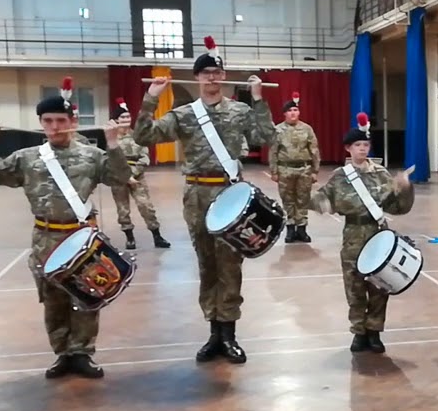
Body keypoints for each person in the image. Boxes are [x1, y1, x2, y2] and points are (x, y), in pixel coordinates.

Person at [131, 35, 276, 363]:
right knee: (207, 264)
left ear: (223, 77)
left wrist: (258, 99)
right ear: (197, 77)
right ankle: (214, 333)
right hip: (197, 195)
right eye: (205, 72)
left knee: (230, 265)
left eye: (216, 72)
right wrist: (151, 99)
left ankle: (230, 334)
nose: (212, 77)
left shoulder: (239, 111)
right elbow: (143, 136)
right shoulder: (183, 115)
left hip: (231, 195)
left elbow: (266, 137)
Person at [0, 80, 133, 379]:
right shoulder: (27, 158)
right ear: (41, 123)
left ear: (72, 122)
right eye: (48, 121)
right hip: (45, 237)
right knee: (53, 300)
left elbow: (119, 177)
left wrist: (113, 145)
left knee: (88, 295)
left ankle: (83, 352)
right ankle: (62, 353)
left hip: (80, 236)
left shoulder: (91, 155)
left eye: (61, 121)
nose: (55, 126)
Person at [309, 113, 415, 353]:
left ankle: (375, 331)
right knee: (355, 287)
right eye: (357, 145)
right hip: (353, 236)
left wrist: (405, 188)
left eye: (366, 145)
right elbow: (322, 200)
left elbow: (399, 207)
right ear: (348, 148)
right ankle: (358, 332)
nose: (362, 149)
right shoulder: (339, 177)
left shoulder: (381, 174)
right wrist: (310, 197)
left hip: (378, 235)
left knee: (379, 286)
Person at [107, 98, 170, 250]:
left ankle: (157, 235)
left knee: (146, 206)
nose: (126, 120)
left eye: (128, 117)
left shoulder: (137, 136)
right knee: (123, 209)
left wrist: (133, 175)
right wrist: (125, 177)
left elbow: (144, 156)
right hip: (118, 178)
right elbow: (109, 159)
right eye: (122, 117)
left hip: (137, 177)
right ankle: (129, 238)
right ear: (116, 120)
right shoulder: (110, 138)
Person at [270, 92, 321, 243]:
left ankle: (302, 229)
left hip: (304, 170)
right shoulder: (278, 130)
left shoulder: (307, 129)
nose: (293, 113)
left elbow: (314, 150)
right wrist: (274, 171)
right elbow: (273, 151)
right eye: (290, 111)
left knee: (303, 200)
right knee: (288, 200)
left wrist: (315, 170)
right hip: (285, 169)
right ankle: (290, 229)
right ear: (285, 114)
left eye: (295, 110)